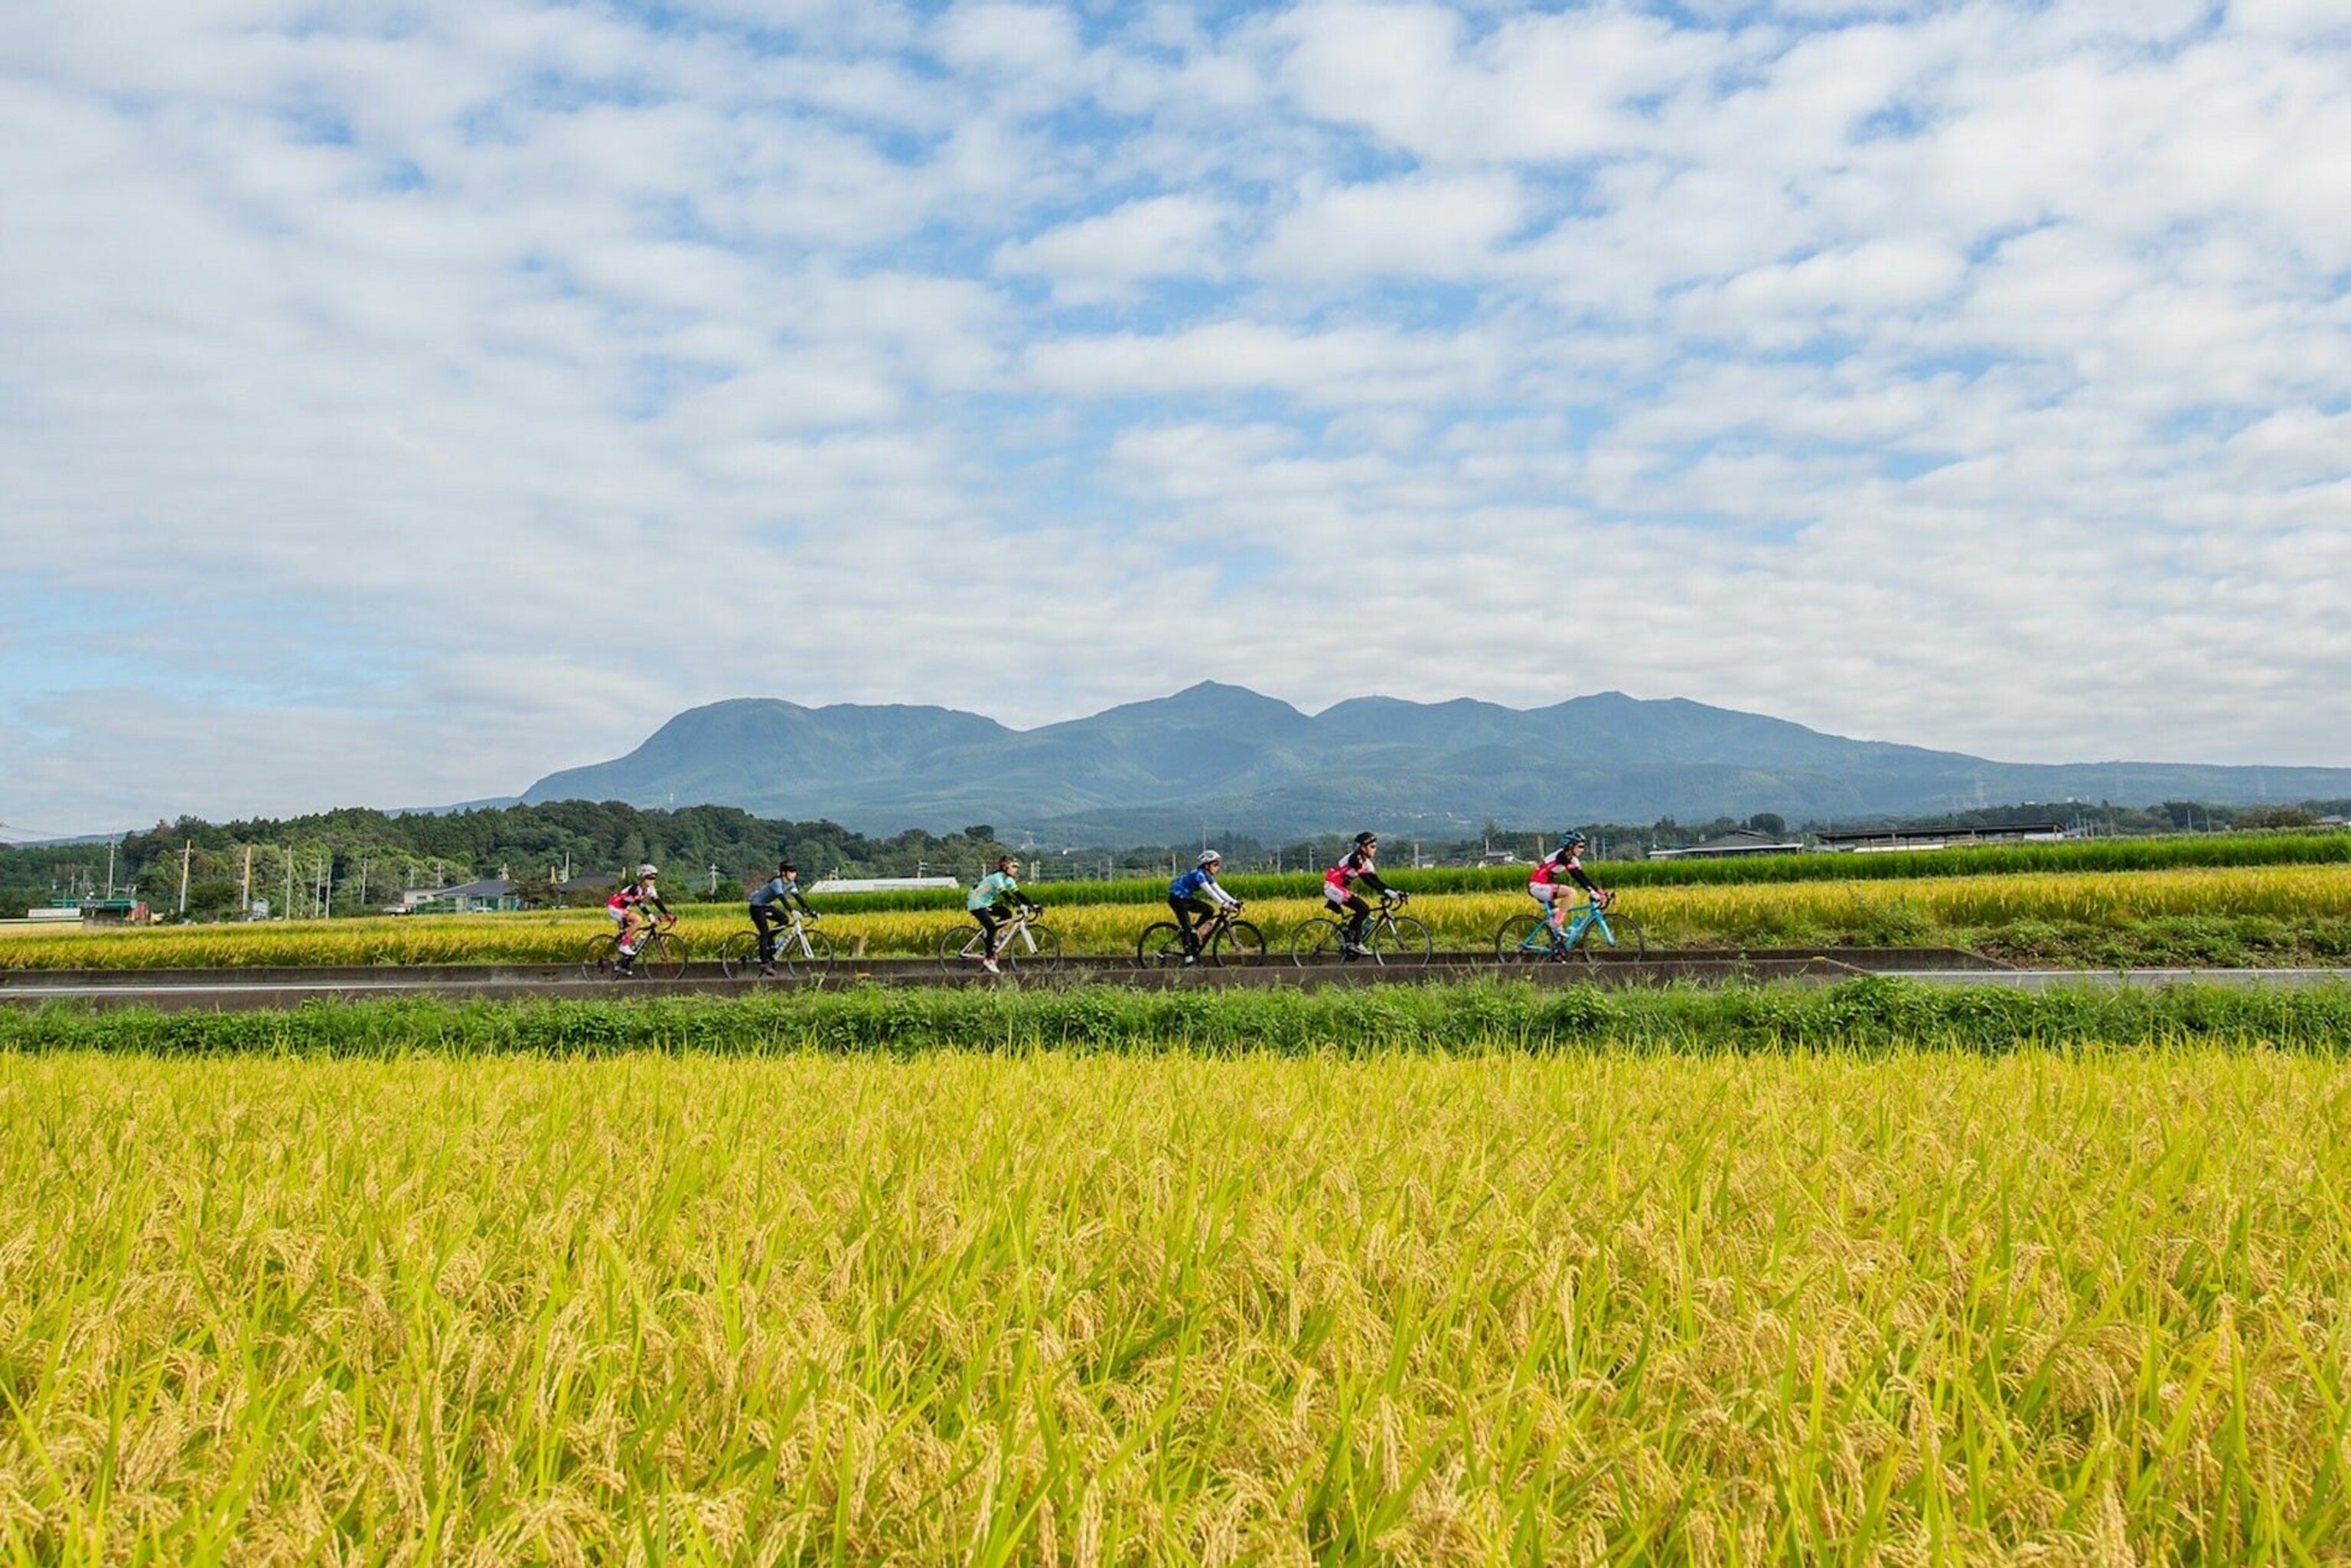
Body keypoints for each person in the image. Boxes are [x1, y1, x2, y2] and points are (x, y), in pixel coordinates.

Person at [1323, 831, 1401, 957]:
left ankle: (1349, 936)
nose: (1375, 850)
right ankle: (1355, 942)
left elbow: (1376, 880)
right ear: (1363, 847)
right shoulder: (1355, 858)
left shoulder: (1367, 862)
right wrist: (1386, 892)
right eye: (1372, 847)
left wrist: (1394, 891)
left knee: (1364, 910)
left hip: (1339, 887)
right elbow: (1367, 880)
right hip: (1332, 886)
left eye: (1375, 847)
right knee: (1363, 909)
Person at [965, 854, 1040, 974]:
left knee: (1007, 914)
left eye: (1017, 867)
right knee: (991, 927)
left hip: (987, 903)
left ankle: (996, 938)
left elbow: (1018, 895)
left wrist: (1032, 905)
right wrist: (1019, 905)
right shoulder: (997, 878)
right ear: (1005, 867)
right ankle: (989, 960)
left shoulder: (1009, 879)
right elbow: (1006, 895)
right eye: (1014, 866)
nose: (1016, 869)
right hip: (977, 904)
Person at [1166, 849, 1242, 963]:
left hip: (1186, 898)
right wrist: (1224, 904)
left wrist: (1234, 902)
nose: (1217, 868)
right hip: (1177, 899)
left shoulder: (1208, 876)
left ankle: (1194, 929)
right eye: (1215, 865)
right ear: (1206, 866)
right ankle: (1188, 958)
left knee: (1209, 910)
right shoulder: (1200, 875)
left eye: (1218, 865)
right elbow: (1210, 892)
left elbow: (1219, 890)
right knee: (1186, 927)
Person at [747, 861, 818, 976]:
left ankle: (769, 942)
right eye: (791, 871)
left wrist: (810, 911)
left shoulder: (790, 884)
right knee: (764, 932)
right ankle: (764, 963)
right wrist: (792, 911)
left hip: (766, 906)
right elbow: (782, 898)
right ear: (784, 873)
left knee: (784, 920)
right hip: (756, 907)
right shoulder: (777, 882)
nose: (794, 874)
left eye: (795, 871)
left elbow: (798, 898)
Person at [1530, 831, 1606, 937]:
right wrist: (1592, 892)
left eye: (1583, 847)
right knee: (1571, 893)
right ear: (1571, 846)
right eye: (1580, 846)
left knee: (1557, 919)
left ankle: (1557, 942)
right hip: (1537, 886)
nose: (1582, 850)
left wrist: (1598, 891)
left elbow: (1583, 877)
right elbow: (1576, 877)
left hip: (1545, 886)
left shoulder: (1573, 859)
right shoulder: (1562, 856)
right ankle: (1556, 923)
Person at [605, 863, 673, 976]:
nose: (652, 880)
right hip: (615, 907)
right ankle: (623, 946)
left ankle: (622, 965)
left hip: (624, 909)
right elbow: (639, 904)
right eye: (650, 878)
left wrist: (667, 914)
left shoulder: (650, 889)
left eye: (654, 878)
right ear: (643, 878)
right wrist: (650, 916)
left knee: (631, 938)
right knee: (638, 920)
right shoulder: (635, 889)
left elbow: (657, 902)